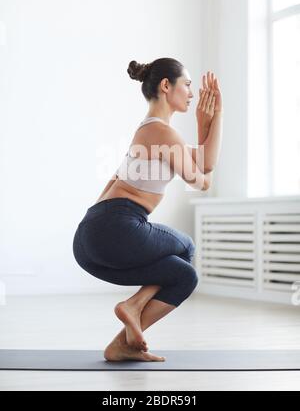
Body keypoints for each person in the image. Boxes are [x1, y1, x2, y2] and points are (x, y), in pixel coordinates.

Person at [72, 57, 223, 362]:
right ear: (167, 86)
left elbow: (203, 163)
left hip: (91, 238)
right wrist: (209, 119)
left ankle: (124, 340)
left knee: (183, 275)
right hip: (117, 226)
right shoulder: (162, 133)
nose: (193, 93)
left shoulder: (151, 132)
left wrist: (212, 118)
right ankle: (133, 308)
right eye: (188, 85)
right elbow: (203, 180)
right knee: (188, 246)